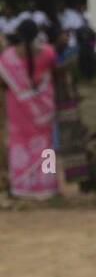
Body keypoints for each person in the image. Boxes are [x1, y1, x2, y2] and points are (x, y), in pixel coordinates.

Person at [0, 18, 58, 199]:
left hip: (18, 109)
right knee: (46, 144)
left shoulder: (8, 57)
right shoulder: (48, 52)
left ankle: (22, 187)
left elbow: (3, 83)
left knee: (19, 143)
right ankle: (47, 186)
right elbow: (54, 73)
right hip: (44, 110)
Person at [51, 28, 89, 189]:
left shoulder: (70, 53)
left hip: (65, 102)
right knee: (50, 145)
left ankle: (68, 178)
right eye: (64, 35)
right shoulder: (49, 55)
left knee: (69, 142)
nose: (67, 38)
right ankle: (49, 178)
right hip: (51, 101)